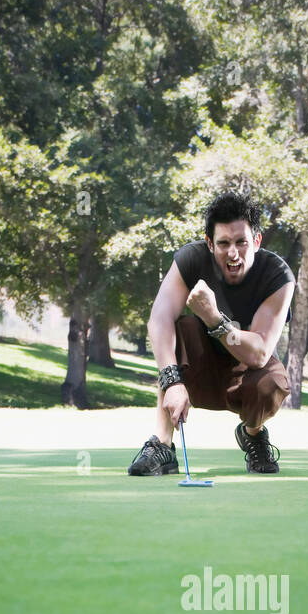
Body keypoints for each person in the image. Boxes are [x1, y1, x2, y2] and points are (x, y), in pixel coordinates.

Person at [127, 191, 296, 477]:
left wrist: (215, 319)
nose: (233, 253)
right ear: (209, 243)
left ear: (256, 241)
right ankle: (163, 445)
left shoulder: (278, 275)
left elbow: (259, 353)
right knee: (180, 328)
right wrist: (171, 380)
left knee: (272, 384)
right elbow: (158, 319)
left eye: (241, 242)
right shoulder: (191, 259)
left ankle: (253, 434)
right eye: (223, 243)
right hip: (202, 368)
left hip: (249, 371)